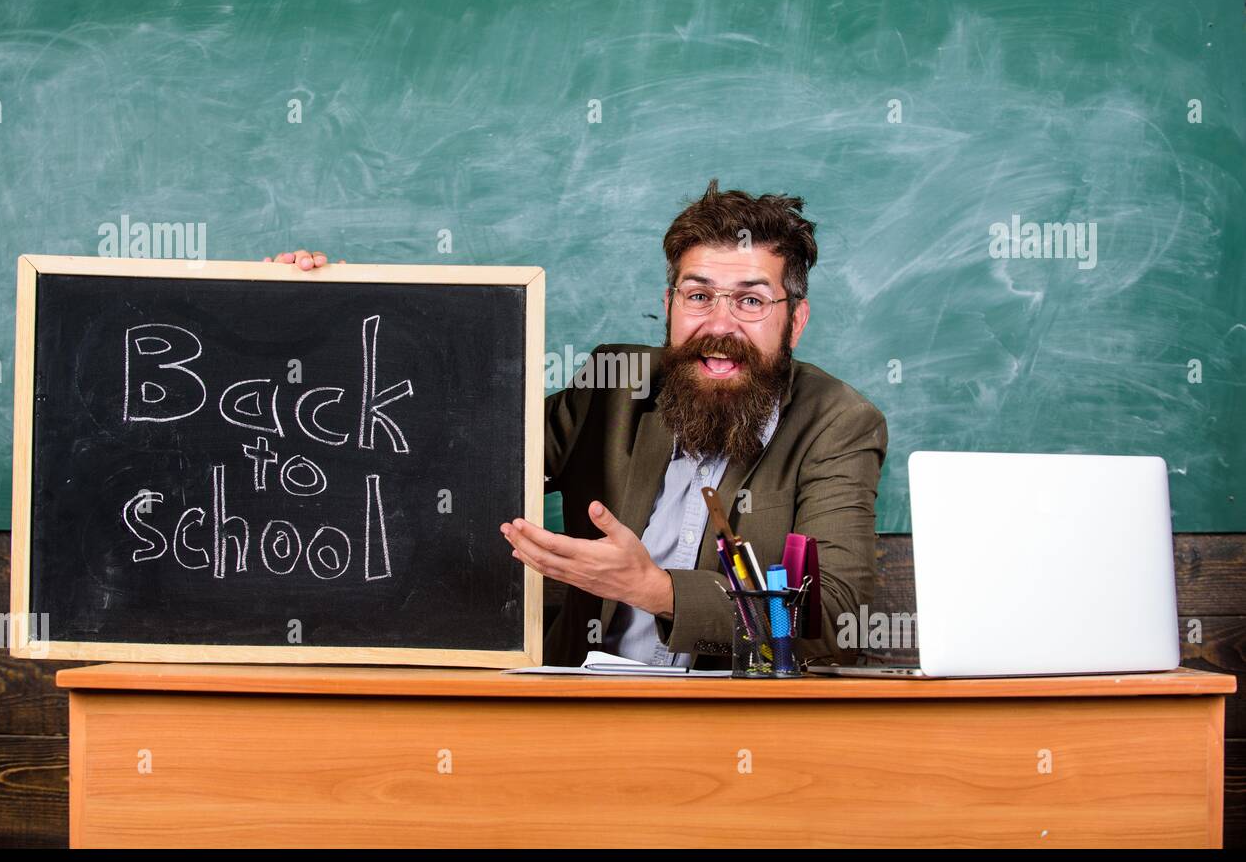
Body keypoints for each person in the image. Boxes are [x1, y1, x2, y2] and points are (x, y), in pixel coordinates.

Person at [273, 179, 887, 669]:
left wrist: (658, 590)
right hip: (575, 713)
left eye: (751, 300)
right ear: (670, 303)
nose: (720, 323)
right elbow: (448, 451)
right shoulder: (614, 385)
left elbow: (830, 621)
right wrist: (329, 316)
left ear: (796, 319)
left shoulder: (838, 424)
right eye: (698, 295)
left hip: (730, 728)